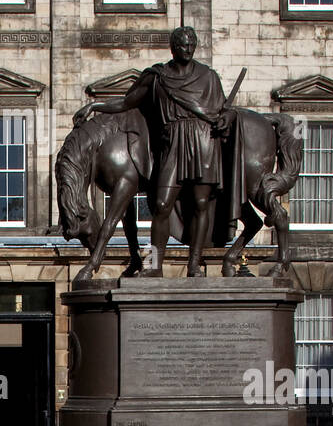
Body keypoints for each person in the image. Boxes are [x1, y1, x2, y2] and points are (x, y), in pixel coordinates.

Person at [73, 26, 239, 276]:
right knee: (161, 205)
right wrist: (95, 105)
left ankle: (194, 265)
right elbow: (127, 102)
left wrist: (227, 117)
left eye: (192, 44)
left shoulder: (209, 77)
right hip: (173, 142)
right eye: (183, 44)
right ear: (173, 47)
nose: (188, 48)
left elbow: (223, 110)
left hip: (204, 141)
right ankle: (154, 266)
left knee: (201, 203)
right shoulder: (157, 77)